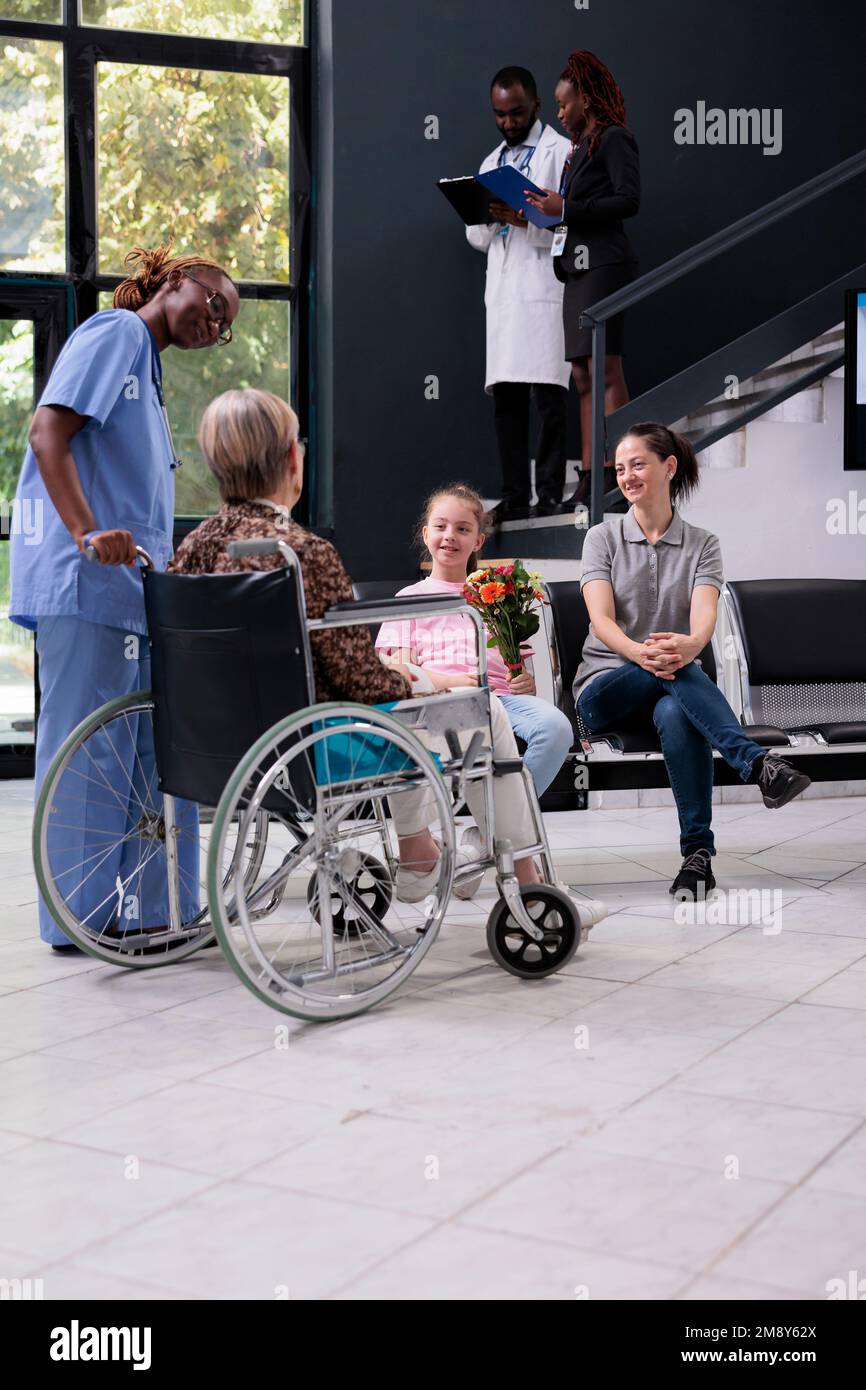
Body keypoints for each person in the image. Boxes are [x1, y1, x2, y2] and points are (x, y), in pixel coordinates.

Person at [169, 391, 586, 911]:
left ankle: (422, 856)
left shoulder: (190, 551)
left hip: (214, 745)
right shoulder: (302, 552)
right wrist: (428, 682)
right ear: (293, 462)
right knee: (478, 709)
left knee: (453, 705)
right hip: (316, 745)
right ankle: (527, 883)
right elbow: (362, 681)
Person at [10, 242, 240, 951]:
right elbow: (49, 431)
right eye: (213, 303)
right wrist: (87, 532)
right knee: (89, 752)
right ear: (175, 282)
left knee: (143, 749)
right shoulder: (117, 334)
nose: (217, 322)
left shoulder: (150, 369)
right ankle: (75, 920)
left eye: (226, 322)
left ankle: (151, 909)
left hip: (132, 590)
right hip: (87, 584)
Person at [574, 422, 811, 900]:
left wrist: (689, 644)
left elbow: (703, 620)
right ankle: (755, 762)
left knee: (678, 712)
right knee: (679, 670)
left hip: (671, 685)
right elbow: (601, 622)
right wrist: (646, 653)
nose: (627, 476)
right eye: (620, 469)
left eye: (638, 464)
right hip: (605, 689)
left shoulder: (704, 543)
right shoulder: (602, 538)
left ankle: (697, 858)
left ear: (669, 466)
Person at [375, 482, 573, 799]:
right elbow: (403, 672)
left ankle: (502, 821)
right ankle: (505, 823)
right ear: (426, 534)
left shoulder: (496, 598)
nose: (450, 535)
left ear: (478, 540)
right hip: (440, 701)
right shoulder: (408, 599)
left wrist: (524, 683)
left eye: (463, 529)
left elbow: (518, 672)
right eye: (441, 527)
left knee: (557, 728)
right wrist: (459, 681)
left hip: (501, 700)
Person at [525, 50, 640, 505]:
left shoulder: (615, 139)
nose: (559, 112)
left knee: (605, 366)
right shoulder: (579, 151)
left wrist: (566, 208)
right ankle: (591, 473)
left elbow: (629, 201)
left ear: (586, 99)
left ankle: (620, 468)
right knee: (581, 374)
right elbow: (572, 213)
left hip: (605, 265)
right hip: (576, 268)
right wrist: (541, 212)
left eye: (564, 103)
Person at [466, 66, 573, 523]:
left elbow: (572, 224)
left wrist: (524, 219)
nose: (508, 122)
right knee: (508, 401)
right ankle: (513, 496)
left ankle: (548, 493)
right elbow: (475, 237)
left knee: (550, 396)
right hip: (507, 295)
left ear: (537, 107)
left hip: (546, 287)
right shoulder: (491, 163)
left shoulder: (562, 152)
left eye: (517, 113)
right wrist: (490, 217)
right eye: (500, 115)